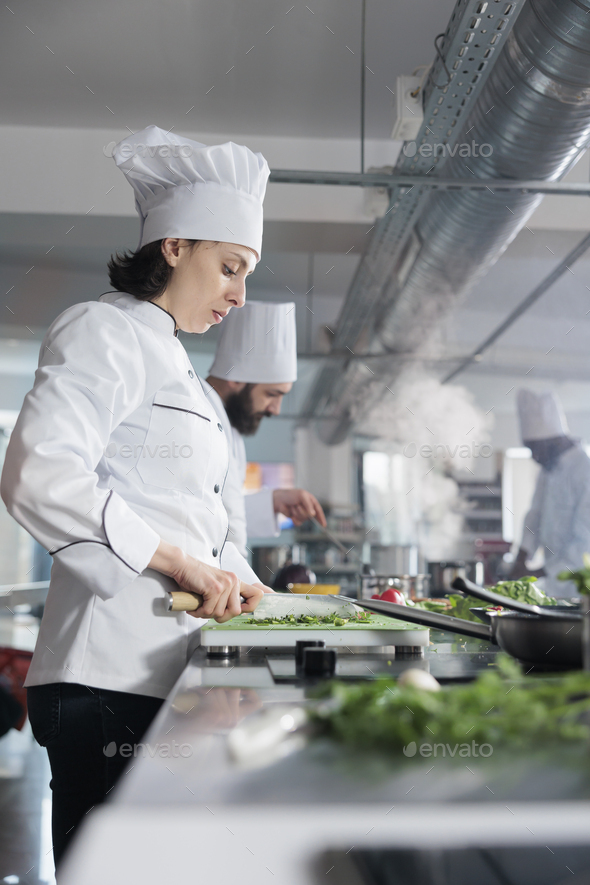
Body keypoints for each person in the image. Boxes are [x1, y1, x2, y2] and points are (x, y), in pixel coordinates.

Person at [0, 124, 271, 867]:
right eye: (229, 266)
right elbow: (38, 473)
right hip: (104, 675)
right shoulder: (104, 330)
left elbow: (204, 523)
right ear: (175, 246)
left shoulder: (176, 366)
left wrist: (258, 596)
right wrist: (180, 564)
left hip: (155, 671)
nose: (239, 294)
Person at [203, 300, 326, 557]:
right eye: (272, 394)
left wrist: (273, 501)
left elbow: (216, 512)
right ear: (236, 377)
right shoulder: (198, 416)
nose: (276, 409)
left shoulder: (229, 424)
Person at [509, 389, 590, 597]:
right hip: (553, 587)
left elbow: (584, 542)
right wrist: (520, 559)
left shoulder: (585, 471)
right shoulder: (548, 469)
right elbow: (535, 515)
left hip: (579, 588)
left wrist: (536, 573)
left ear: (554, 441)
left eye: (535, 449)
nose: (534, 457)